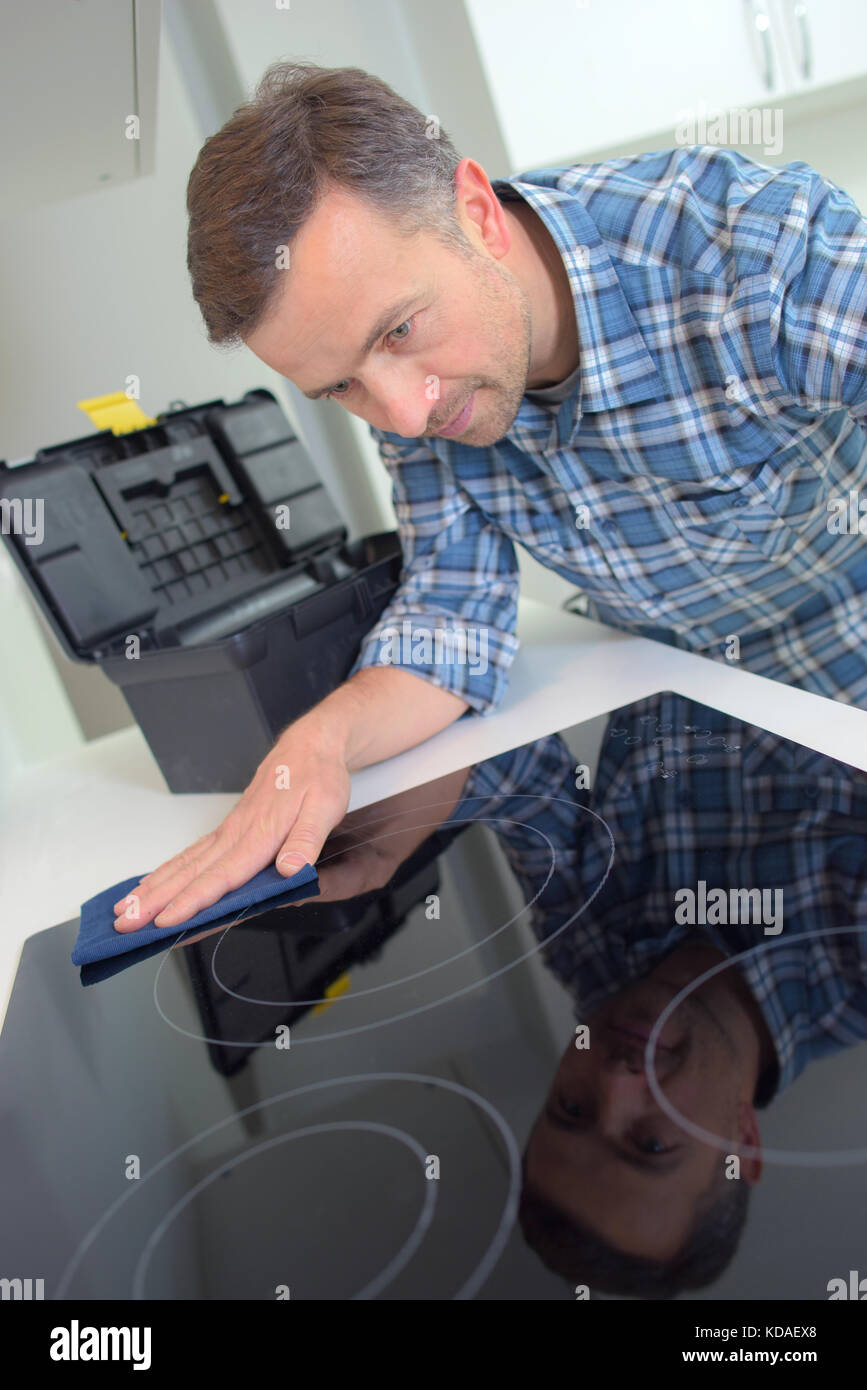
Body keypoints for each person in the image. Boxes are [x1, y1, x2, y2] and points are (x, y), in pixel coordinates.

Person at [114, 60, 867, 936]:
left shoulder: (753, 248)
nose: (403, 411)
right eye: (342, 390)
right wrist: (317, 745)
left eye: (400, 331)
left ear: (475, 211)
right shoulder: (410, 394)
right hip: (689, 731)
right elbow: (452, 618)